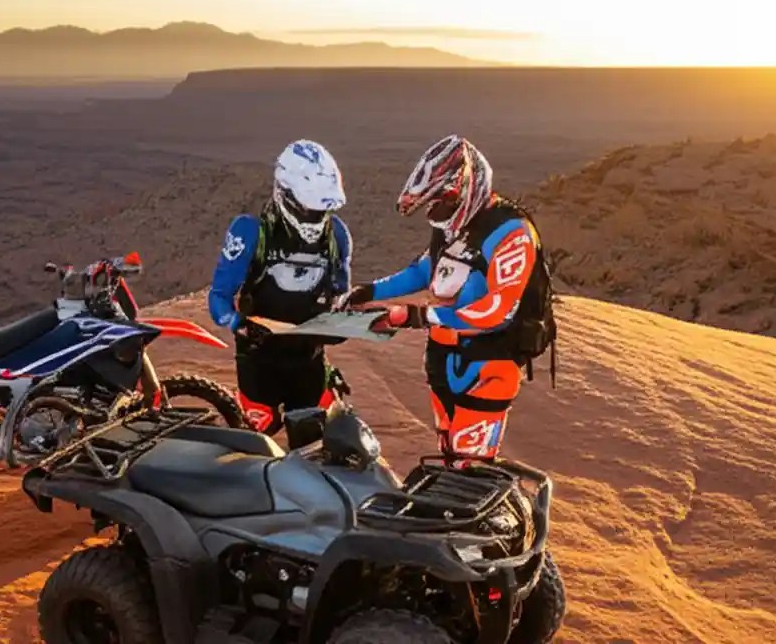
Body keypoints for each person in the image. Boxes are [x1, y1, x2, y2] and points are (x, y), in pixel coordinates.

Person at [343, 135, 555, 463]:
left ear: (466, 187)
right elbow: (425, 270)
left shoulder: (510, 234)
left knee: (469, 462)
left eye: (444, 198)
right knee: (448, 452)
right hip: (444, 359)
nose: (436, 209)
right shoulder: (451, 226)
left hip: (488, 363)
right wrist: (370, 291)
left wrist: (418, 316)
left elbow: (498, 310)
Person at [208, 140, 353, 435]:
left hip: (308, 360)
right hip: (259, 362)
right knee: (259, 446)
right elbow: (219, 297)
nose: (315, 218)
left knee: (314, 442)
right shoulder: (250, 232)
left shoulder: (336, 234)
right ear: (285, 195)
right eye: (309, 209)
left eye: (320, 210)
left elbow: (341, 294)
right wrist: (239, 324)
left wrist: (342, 320)